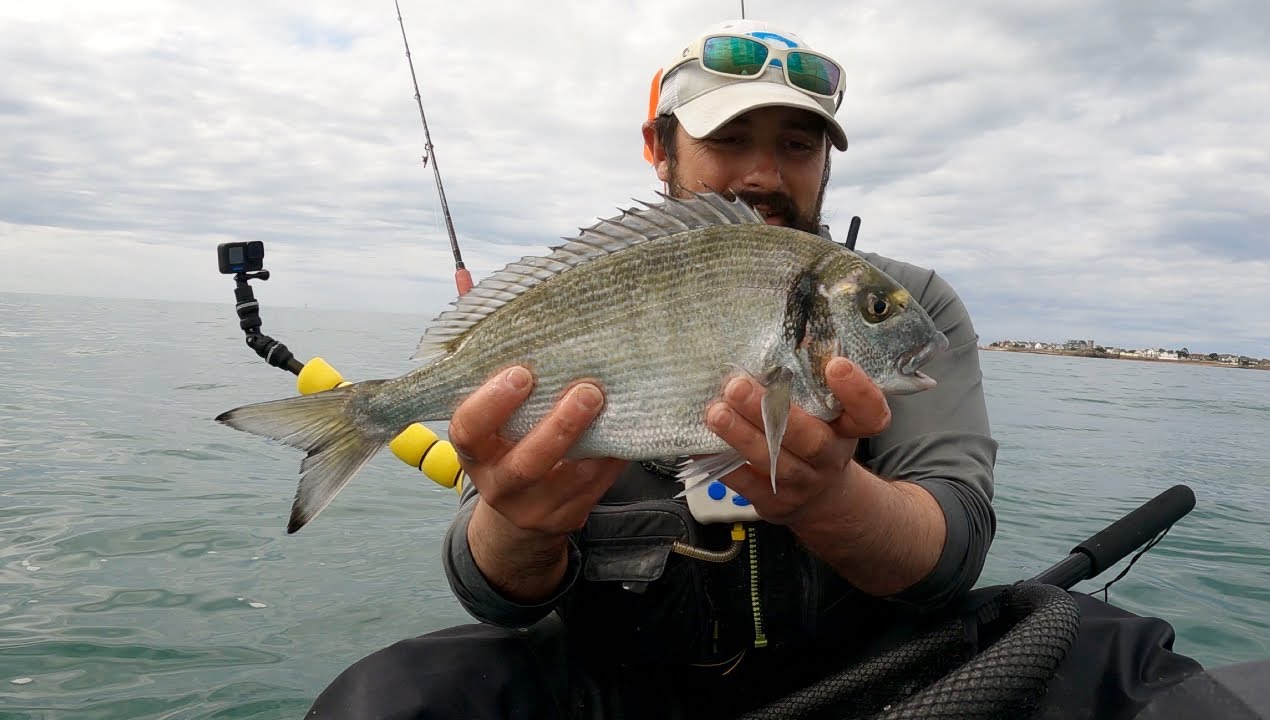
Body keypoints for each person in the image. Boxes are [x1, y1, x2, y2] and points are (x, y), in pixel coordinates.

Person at [306, 19, 1203, 720]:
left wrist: (826, 497)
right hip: (622, 690)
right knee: (392, 699)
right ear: (659, 148)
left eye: (799, 146)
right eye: (731, 139)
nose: (765, 174)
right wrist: (521, 522)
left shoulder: (909, 298)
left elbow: (953, 550)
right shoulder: (590, 289)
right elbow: (491, 591)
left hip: (871, 680)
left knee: (1127, 666)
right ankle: (355, 420)